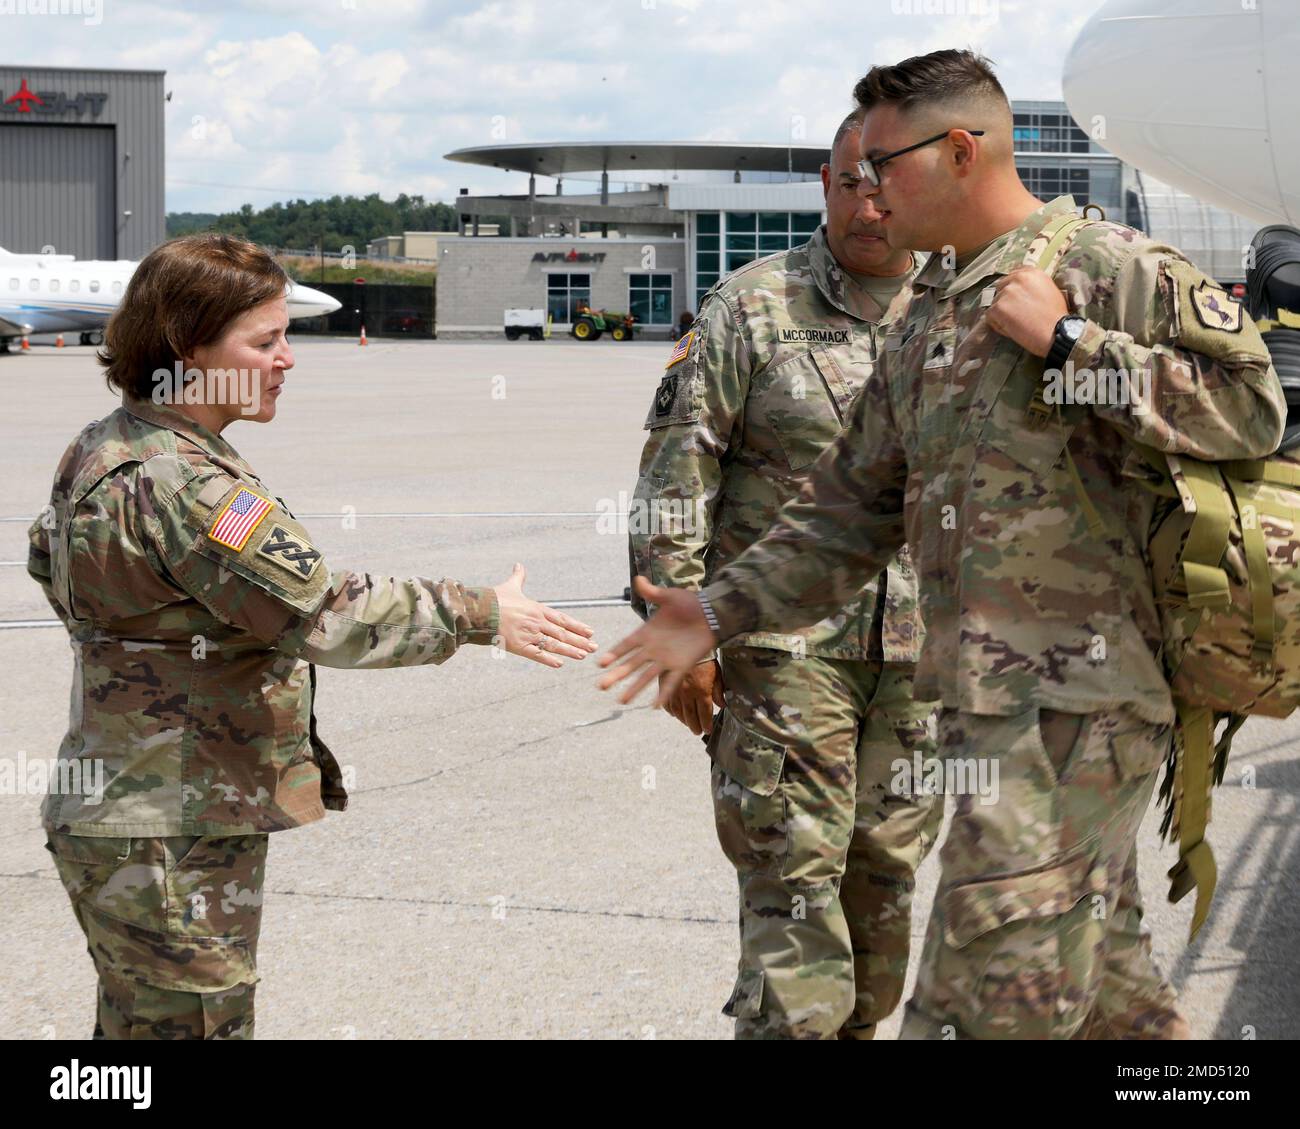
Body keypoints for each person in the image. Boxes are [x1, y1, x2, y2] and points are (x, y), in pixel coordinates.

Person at [598, 49, 1286, 1040]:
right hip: (977, 711)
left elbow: (1249, 406)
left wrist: (1071, 349)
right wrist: (710, 611)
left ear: (958, 151)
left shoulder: (1099, 267)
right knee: (1115, 1006)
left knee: (974, 1008)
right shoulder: (932, 311)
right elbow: (848, 508)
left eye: (883, 162)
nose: (866, 188)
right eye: (856, 169)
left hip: (1074, 715)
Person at [26, 233, 597, 1040]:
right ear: (191, 349)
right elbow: (328, 612)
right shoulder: (190, 484)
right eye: (265, 341)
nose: (288, 359)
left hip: (128, 809)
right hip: (170, 827)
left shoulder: (106, 444)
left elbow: (52, 570)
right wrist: (482, 613)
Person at [628, 107, 940, 1040]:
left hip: (922, 656)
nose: (869, 207)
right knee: (794, 887)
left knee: (883, 887)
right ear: (824, 183)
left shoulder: (963, 307)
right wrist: (677, 633)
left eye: (888, 188)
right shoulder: (753, 307)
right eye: (851, 184)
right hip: (781, 653)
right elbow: (675, 477)